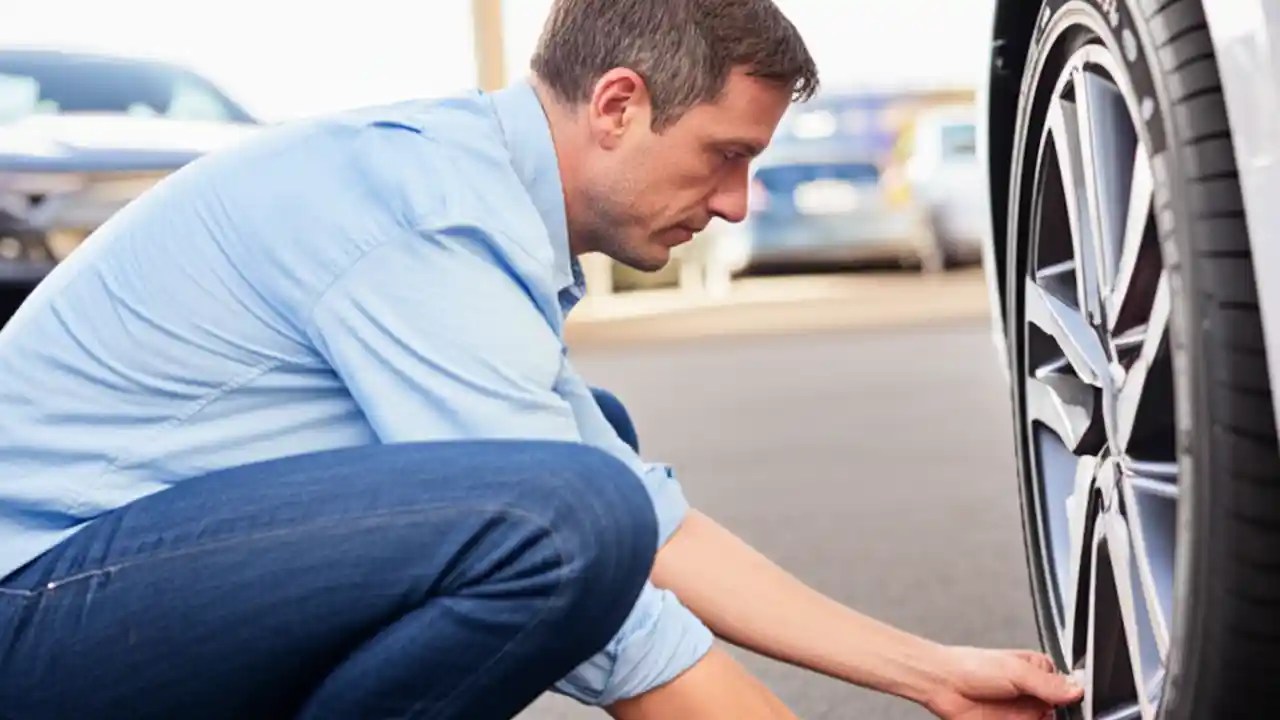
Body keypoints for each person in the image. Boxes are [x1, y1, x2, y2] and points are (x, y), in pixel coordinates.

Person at [0, 1, 1085, 718]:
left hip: (98, 590)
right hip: (32, 612)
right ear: (618, 105)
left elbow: (648, 522)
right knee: (565, 512)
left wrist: (934, 675)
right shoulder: (426, 213)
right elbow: (595, 569)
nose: (733, 203)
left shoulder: (465, 197)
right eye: (724, 156)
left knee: (590, 460)